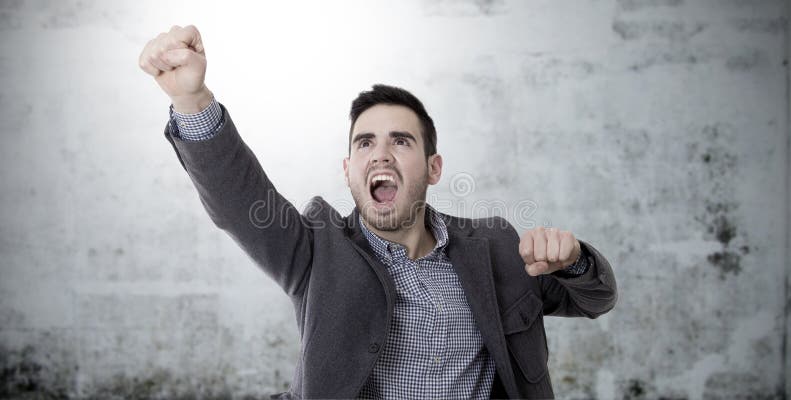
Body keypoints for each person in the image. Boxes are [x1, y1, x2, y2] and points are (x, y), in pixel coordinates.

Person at [139, 25, 618, 400]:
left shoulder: (495, 247)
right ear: (349, 169)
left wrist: (574, 260)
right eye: (365, 142)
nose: (380, 155)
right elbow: (239, 202)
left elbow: (595, 300)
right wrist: (192, 100)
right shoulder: (316, 249)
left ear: (433, 168)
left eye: (401, 141)